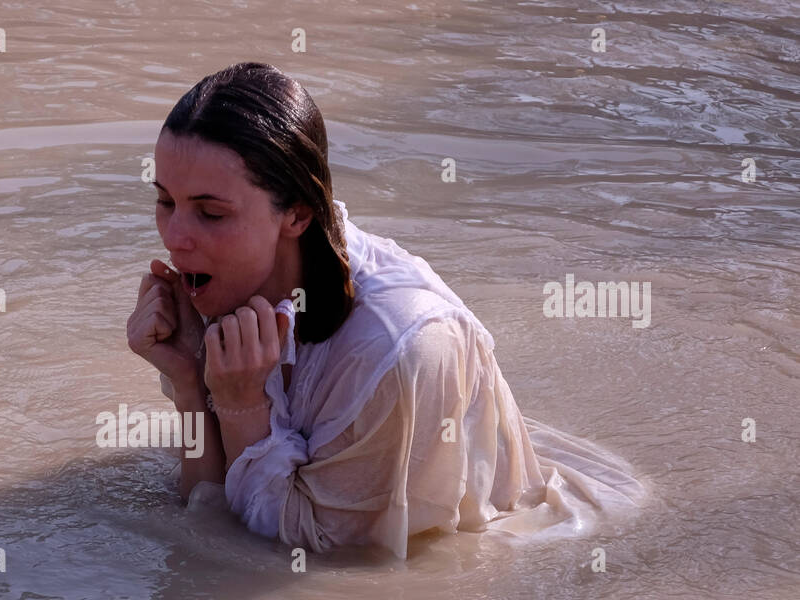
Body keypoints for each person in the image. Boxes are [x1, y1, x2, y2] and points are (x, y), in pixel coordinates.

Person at [126, 62, 647, 560]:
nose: (175, 239)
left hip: (531, 539)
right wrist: (195, 382)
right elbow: (207, 511)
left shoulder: (397, 349)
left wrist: (240, 402)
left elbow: (310, 559)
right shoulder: (235, 276)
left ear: (299, 214)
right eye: (166, 202)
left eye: (211, 212)